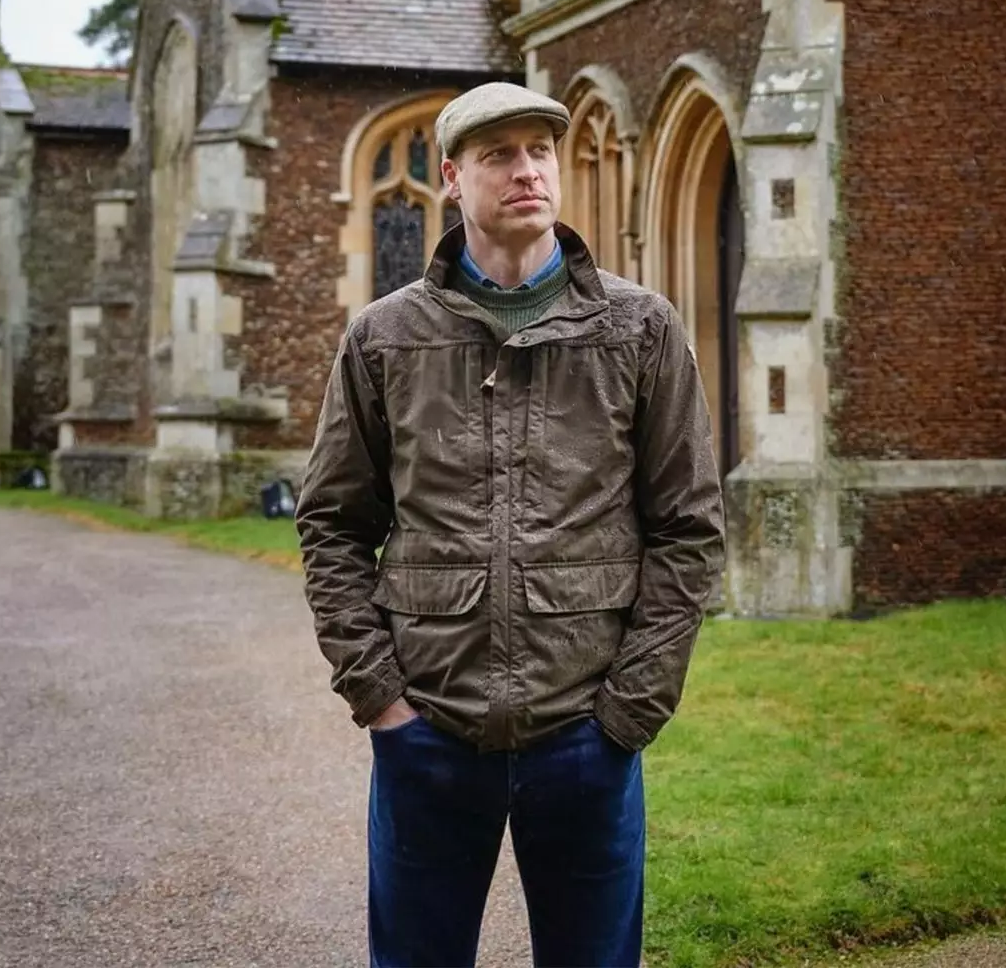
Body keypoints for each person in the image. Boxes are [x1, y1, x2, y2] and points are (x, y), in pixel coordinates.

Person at [295, 81, 726, 968]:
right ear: (451, 177)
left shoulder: (639, 329)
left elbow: (688, 527)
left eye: (540, 150)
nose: (526, 170)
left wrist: (628, 713)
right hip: (429, 736)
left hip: (586, 734)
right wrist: (380, 699)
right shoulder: (384, 338)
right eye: (499, 154)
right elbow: (334, 523)